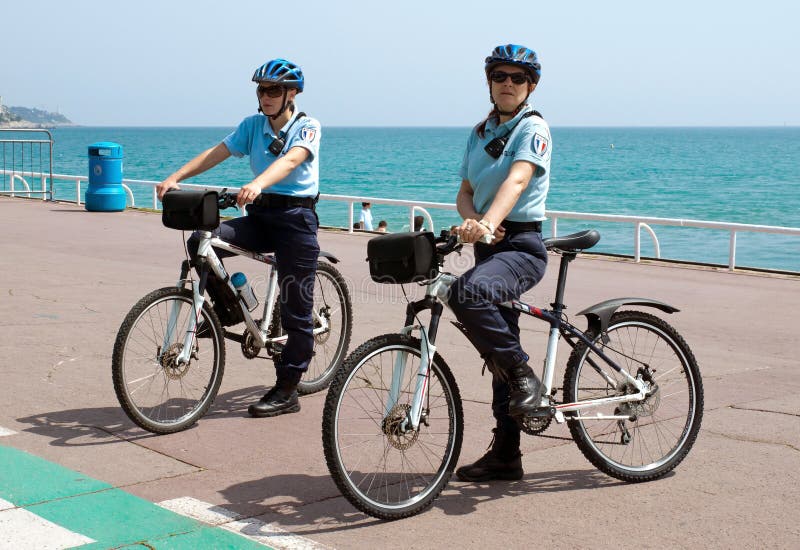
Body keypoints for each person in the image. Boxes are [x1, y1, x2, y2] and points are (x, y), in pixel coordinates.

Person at [155, 58, 322, 419]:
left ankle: (288, 389)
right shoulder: (252, 126)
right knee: (201, 241)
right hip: (261, 217)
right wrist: (175, 177)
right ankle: (228, 310)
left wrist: (258, 183)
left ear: (292, 94)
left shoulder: (307, 126)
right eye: (262, 90)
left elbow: (292, 160)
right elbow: (218, 152)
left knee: (296, 311)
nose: (266, 96)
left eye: (274, 90)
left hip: (296, 220)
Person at [448, 44, 551, 482]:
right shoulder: (479, 132)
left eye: (517, 78)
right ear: (489, 83)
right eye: (499, 76)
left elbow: (518, 179)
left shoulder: (533, 128)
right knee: (497, 350)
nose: (508, 83)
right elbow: (465, 191)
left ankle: (526, 377)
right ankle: (507, 454)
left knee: (467, 294)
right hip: (489, 246)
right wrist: (472, 221)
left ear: (531, 86)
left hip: (522, 246)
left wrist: (489, 222)